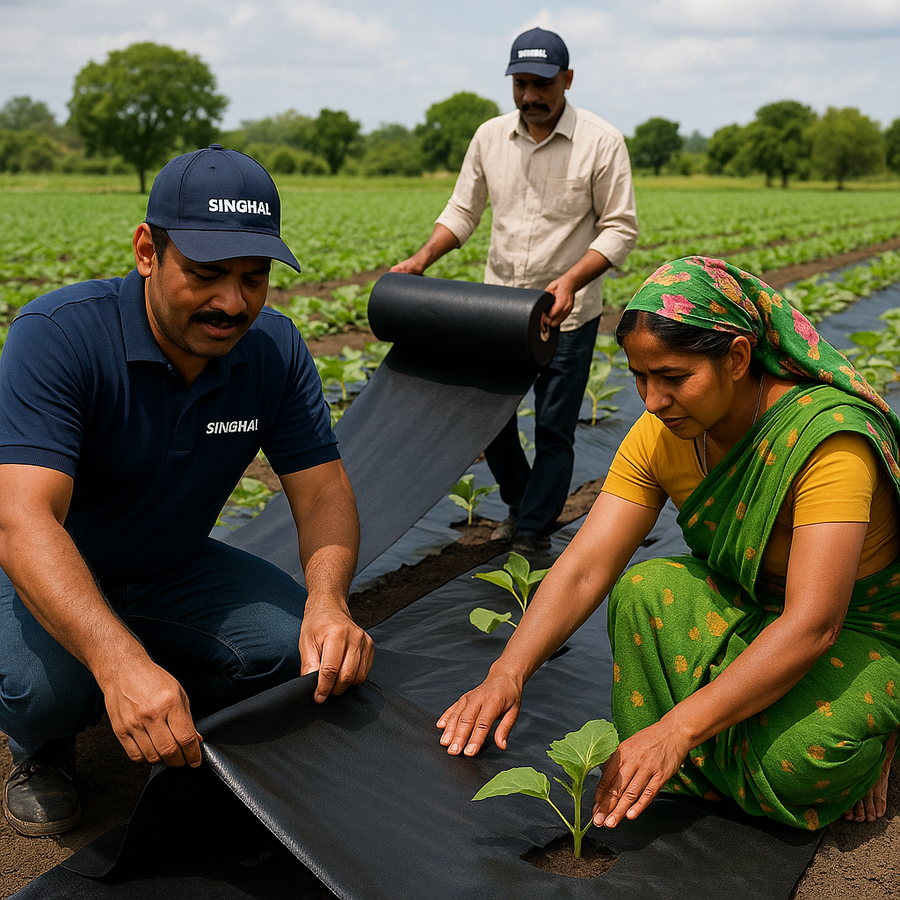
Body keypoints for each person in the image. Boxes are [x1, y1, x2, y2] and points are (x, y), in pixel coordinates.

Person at [437, 256, 900, 831]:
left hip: (853, 633)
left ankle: (874, 737)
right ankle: (717, 739)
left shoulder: (826, 444)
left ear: (736, 358)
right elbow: (585, 566)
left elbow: (814, 624)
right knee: (644, 588)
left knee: (796, 765)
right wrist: (507, 673)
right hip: (753, 609)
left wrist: (676, 729)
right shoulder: (660, 435)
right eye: (639, 376)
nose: (652, 400)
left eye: (674, 377)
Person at [0, 145, 374, 837]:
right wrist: (117, 661)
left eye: (254, 277)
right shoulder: (58, 336)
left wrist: (329, 601)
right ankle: (42, 749)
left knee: (298, 649)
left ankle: (166, 700)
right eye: (205, 274)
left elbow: (323, 490)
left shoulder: (274, 350)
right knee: (48, 691)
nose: (232, 303)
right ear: (147, 250)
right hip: (38, 567)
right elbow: (24, 520)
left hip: (170, 565)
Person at [391, 27, 638, 553]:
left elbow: (619, 227)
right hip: (499, 310)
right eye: (520, 83)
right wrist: (421, 258)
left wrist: (571, 280)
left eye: (542, 84)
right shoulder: (489, 137)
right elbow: (463, 211)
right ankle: (523, 502)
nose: (530, 97)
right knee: (490, 423)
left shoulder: (601, 141)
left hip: (565, 313)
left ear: (567, 80)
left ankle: (530, 532)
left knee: (553, 429)